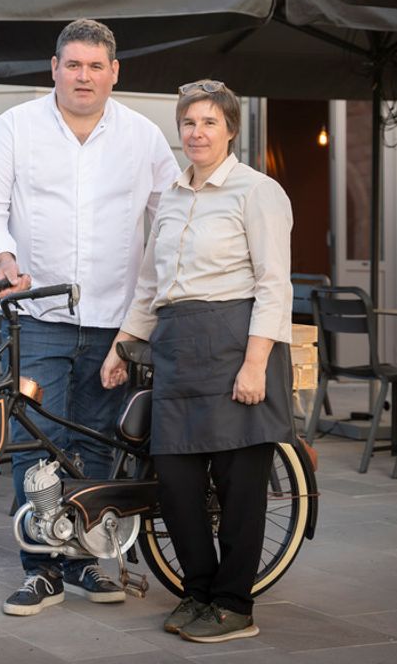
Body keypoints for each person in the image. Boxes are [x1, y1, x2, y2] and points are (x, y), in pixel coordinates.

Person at [0, 18, 181, 616]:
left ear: (114, 73)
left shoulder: (143, 136)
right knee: (39, 441)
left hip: (116, 321)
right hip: (37, 314)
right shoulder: (15, 127)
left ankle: (85, 559)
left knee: (98, 444)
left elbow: (171, 218)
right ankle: (40, 569)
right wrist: (2, 256)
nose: (83, 76)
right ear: (53, 68)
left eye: (95, 66)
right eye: (73, 64)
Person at [100, 80, 294, 643]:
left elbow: (274, 286)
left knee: (238, 487)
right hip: (178, 350)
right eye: (189, 122)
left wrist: (256, 363)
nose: (197, 132)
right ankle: (197, 592)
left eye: (210, 122)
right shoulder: (170, 198)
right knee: (177, 485)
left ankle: (234, 604)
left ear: (231, 129)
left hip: (237, 345)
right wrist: (121, 345)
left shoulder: (258, 192)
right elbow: (150, 285)